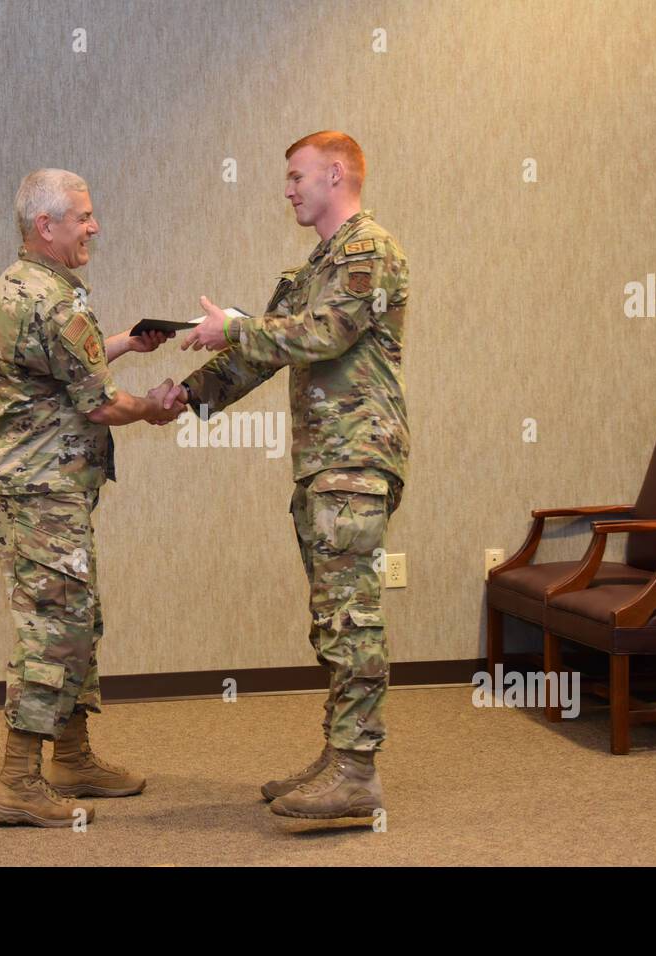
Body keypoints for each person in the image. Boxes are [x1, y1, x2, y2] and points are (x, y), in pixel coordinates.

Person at [165, 131, 409, 819]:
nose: (288, 188)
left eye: (298, 176)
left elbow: (323, 334)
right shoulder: (315, 267)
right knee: (332, 615)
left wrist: (238, 326)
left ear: (337, 174)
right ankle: (339, 755)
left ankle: (358, 772)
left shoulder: (369, 250)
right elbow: (266, 350)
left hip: (357, 456)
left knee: (352, 615)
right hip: (325, 462)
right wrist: (186, 396)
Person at [0, 168, 184, 827]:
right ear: (47, 226)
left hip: (36, 489)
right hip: (46, 494)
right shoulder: (57, 300)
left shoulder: (18, 288)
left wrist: (125, 340)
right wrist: (152, 409)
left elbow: (68, 369)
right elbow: (98, 402)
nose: (94, 226)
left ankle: (73, 757)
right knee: (53, 630)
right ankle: (17, 780)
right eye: (83, 217)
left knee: (76, 621)